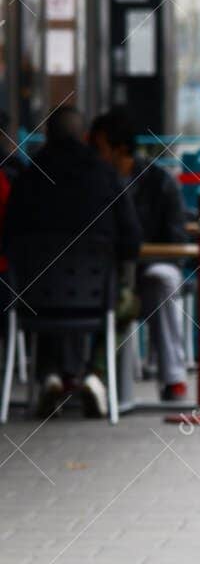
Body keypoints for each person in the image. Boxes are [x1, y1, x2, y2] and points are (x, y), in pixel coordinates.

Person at [2, 104, 142, 418]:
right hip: (96, 300)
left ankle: (50, 375)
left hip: (33, 303)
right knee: (126, 302)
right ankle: (95, 375)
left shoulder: (28, 177)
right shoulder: (106, 175)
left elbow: (8, 239)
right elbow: (132, 243)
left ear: (47, 135)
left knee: (45, 286)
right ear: (84, 136)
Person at [89, 109, 189, 402]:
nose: (93, 156)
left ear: (120, 150)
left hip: (147, 274)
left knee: (164, 279)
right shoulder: (92, 184)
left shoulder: (160, 182)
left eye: (99, 148)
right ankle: (84, 380)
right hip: (101, 277)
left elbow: (177, 243)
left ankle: (173, 378)